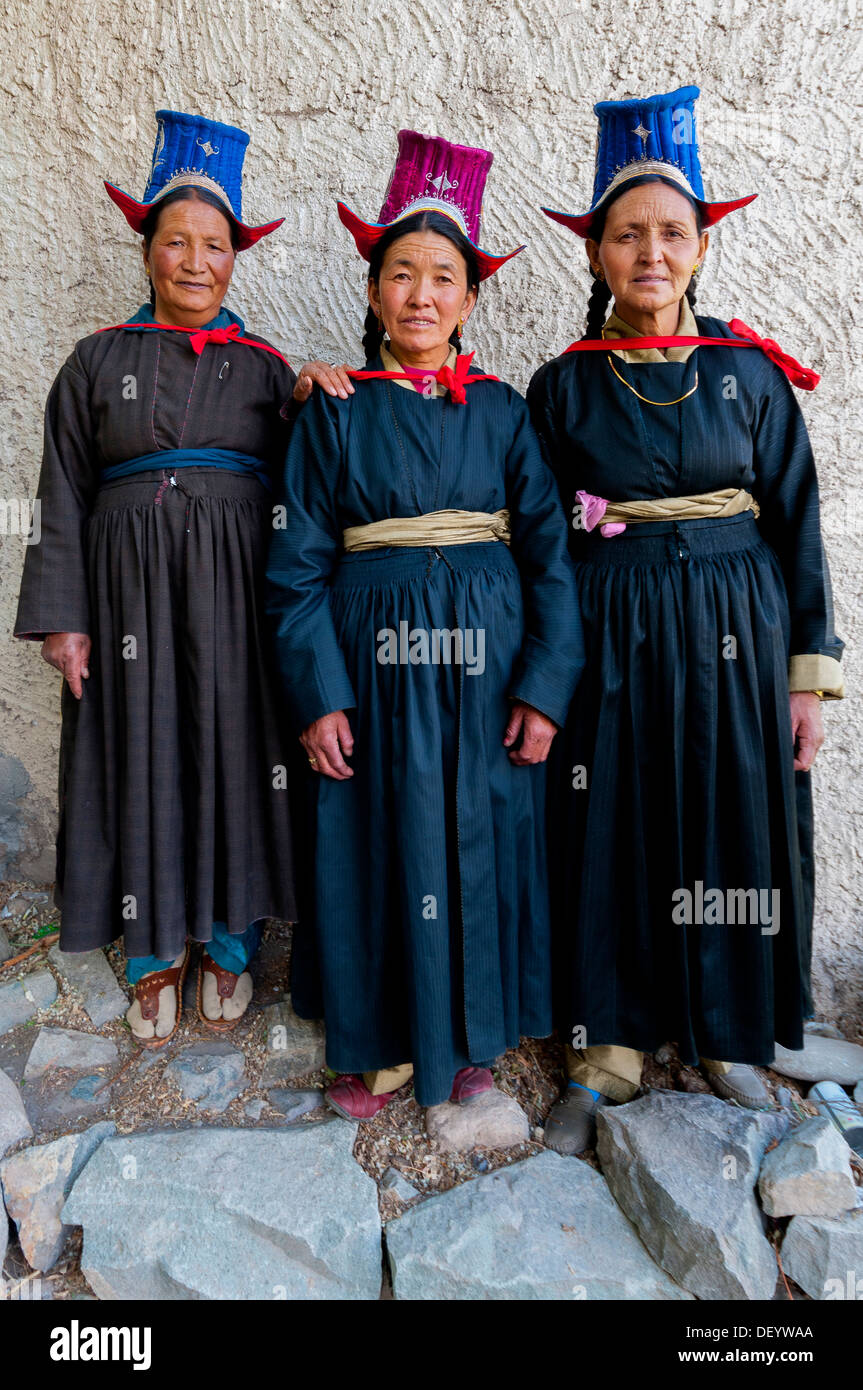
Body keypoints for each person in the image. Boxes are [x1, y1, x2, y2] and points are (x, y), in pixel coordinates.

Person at [529, 86, 844, 1154]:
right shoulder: (559, 390)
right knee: (609, 820)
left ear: (701, 248)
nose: (648, 253)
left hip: (737, 635)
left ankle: (730, 1029)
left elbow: (796, 522)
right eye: (626, 235)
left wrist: (804, 676)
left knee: (729, 821)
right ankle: (606, 1045)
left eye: (670, 232)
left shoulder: (751, 376)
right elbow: (532, 533)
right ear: (597, 254)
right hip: (608, 632)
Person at [15, 110, 352, 1047]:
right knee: (140, 754)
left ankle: (233, 945)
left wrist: (309, 397)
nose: (195, 263)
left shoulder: (265, 370)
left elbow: (309, 490)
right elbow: (62, 491)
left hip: (235, 607)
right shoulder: (94, 363)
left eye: (215, 246)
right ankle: (153, 947)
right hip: (125, 605)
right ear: (148, 248)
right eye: (177, 243)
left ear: (236, 256)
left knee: (236, 756)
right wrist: (65, 619)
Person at [267, 130, 583, 1119]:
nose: (418, 294)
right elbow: (293, 572)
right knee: (379, 838)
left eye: (441, 276)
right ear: (372, 293)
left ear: (469, 299)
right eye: (398, 273)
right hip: (373, 670)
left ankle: (471, 1032)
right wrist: (319, 696)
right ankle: (379, 1042)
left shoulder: (503, 412)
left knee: (473, 839)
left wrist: (541, 685)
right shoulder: (332, 413)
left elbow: (549, 558)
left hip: (485, 674)